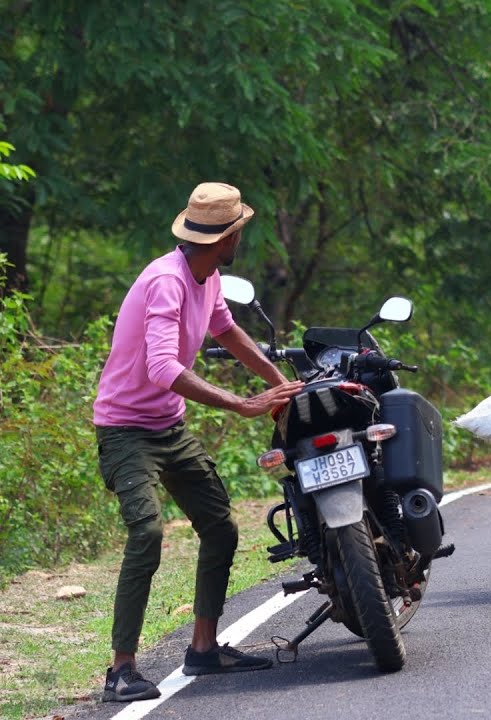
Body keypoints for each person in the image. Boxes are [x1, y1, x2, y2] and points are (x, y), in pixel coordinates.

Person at [93, 182, 304, 702]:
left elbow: (228, 332)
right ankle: (121, 670)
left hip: (169, 425)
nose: (241, 240)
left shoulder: (205, 276)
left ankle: (204, 649)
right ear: (226, 236)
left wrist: (277, 386)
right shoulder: (166, 280)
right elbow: (163, 367)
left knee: (220, 527)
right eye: (239, 232)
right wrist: (242, 403)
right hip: (126, 429)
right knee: (147, 533)